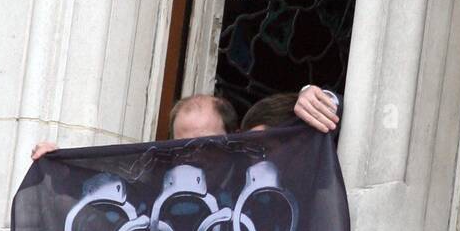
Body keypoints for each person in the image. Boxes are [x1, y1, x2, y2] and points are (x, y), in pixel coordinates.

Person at [30, 84, 340, 159]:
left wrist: (321, 96)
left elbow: (333, 133)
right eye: (182, 144)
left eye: (207, 141)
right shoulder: (160, 184)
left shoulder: (256, 171)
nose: (194, 153)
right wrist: (61, 169)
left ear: (235, 137)